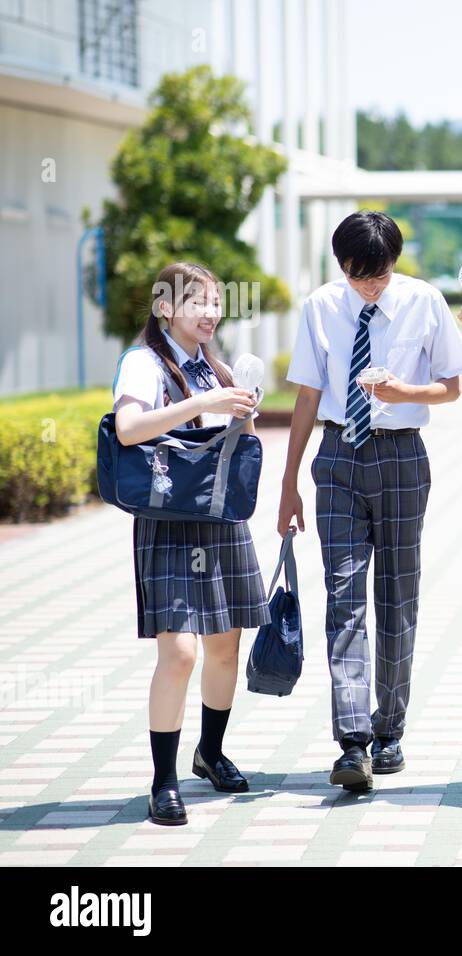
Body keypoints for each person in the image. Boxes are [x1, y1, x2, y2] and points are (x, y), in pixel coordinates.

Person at [278, 210, 462, 793]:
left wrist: (402, 391)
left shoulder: (423, 301)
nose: (372, 285)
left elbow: (452, 386)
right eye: (361, 275)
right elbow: (309, 396)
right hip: (337, 457)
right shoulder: (320, 307)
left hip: (401, 456)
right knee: (343, 596)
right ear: (342, 265)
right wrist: (288, 483)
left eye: (381, 274)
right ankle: (353, 741)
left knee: (396, 594)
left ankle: (391, 730)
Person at [111, 261, 268, 826]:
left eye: (215, 302)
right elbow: (129, 428)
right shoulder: (143, 363)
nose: (210, 312)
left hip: (220, 517)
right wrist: (205, 404)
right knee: (179, 651)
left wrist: (241, 412)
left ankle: (211, 752)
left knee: (225, 645)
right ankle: (163, 779)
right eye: (198, 302)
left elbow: (236, 446)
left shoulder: (216, 367)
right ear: (165, 307)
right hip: (168, 517)